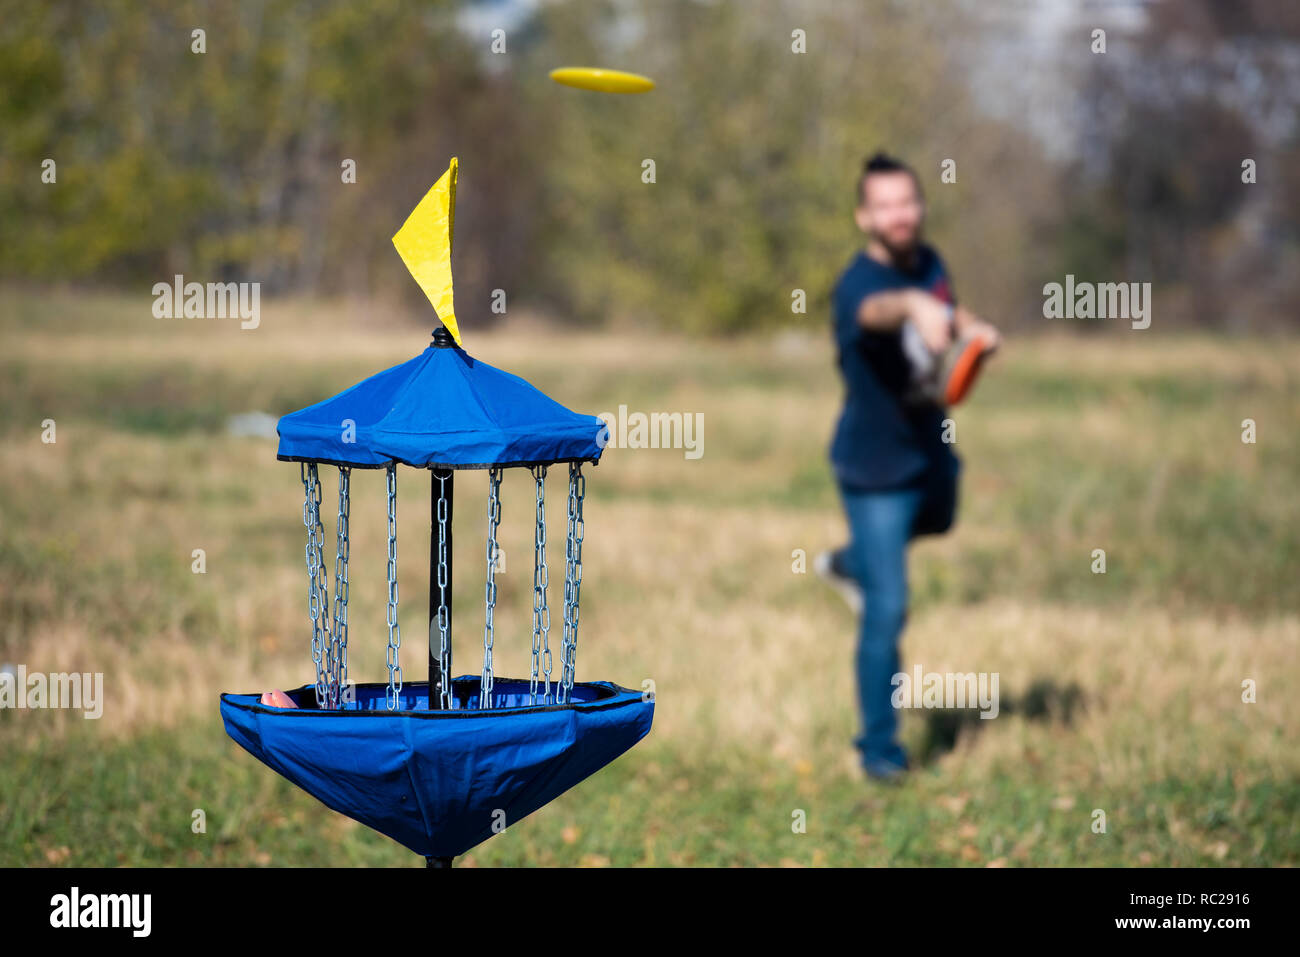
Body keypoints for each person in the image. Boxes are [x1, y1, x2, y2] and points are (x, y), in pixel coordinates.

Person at [815, 152, 1000, 781]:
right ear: (865, 216)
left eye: (908, 201)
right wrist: (914, 307)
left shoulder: (931, 262)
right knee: (888, 608)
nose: (900, 214)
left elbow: (950, 310)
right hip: (874, 470)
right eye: (885, 205)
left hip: (931, 454)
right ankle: (879, 753)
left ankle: (851, 562)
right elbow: (880, 313)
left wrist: (977, 331)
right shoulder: (859, 287)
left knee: (944, 519)